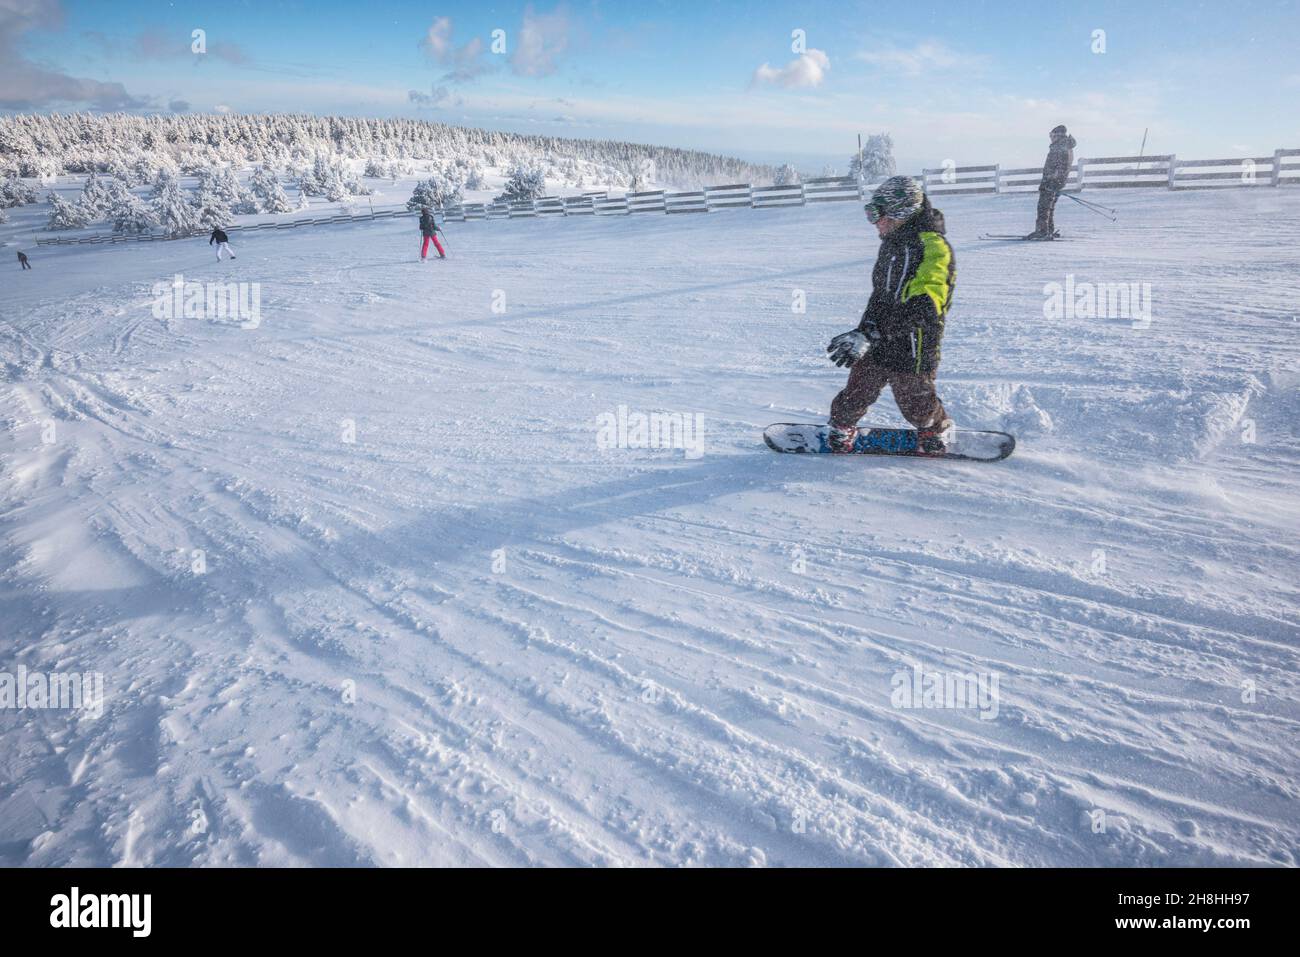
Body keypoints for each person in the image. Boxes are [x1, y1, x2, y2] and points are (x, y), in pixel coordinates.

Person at [825, 175, 955, 454]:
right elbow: (880, 296)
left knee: (916, 403)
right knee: (858, 389)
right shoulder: (892, 245)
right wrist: (864, 331)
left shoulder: (934, 248)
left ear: (902, 212)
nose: (874, 222)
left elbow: (926, 306)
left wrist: (875, 331)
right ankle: (842, 427)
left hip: (915, 343)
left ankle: (934, 428)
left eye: (877, 214)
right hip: (879, 335)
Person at [1028, 125, 1076, 240]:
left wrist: (1053, 178)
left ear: (1058, 135)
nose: (1051, 138)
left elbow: (1061, 166)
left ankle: (1042, 231)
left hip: (1051, 182)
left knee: (1043, 207)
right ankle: (1048, 230)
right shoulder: (1064, 146)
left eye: (1052, 135)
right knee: (1049, 207)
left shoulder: (1060, 147)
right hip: (1056, 182)